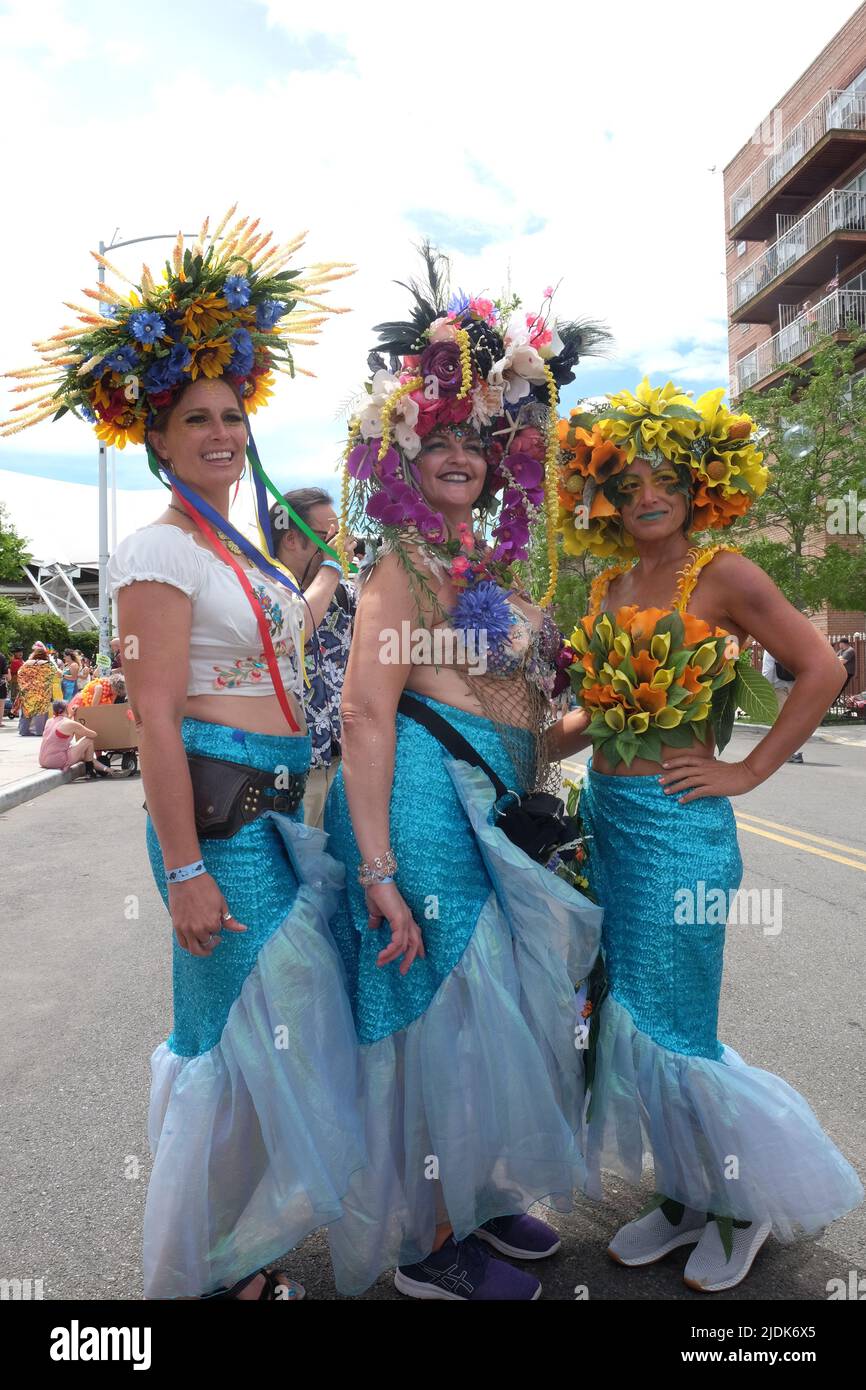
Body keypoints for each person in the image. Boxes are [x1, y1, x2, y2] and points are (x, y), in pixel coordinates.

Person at [3, 208, 360, 1302]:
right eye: (194, 418)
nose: (217, 432)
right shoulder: (157, 546)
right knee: (223, 1047)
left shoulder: (237, 549)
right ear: (155, 438)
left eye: (230, 415)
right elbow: (155, 717)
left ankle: (237, 1252)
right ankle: (207, 1273)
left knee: (270, 1046)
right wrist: (189, 871)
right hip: (216, 824)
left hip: (269, 813)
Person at [323, 250, 607, 1299]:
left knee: (487, 1020)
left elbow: (533, 722)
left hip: (495, 811)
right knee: (436, 1016)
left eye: (475, 443)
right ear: (403, 455)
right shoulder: (396, 559)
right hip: (422, 815)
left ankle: (475, 1204)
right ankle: (419, 1242)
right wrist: (378, 870)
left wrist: (616, 708)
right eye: (436, 438)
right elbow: (363, 710)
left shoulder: (486, 569)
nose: (458, 455)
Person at [558, 378, 863, 1292]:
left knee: (676, 1029)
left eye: (666, 480)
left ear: (700, 488)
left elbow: (821, 666)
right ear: (605, 495)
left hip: (682, 828)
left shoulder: (721, 572)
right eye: (628, 482)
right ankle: (687, 1197)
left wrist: (748, 769)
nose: (647, 496)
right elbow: (592, 709)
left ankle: (743, 1201)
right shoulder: (609, 582)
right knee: (627, 1023)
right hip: (608, 819)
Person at [270, 487, 357, 827]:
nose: (341, 545)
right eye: (329, 535)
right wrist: (332, 565)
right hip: (290, 759)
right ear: (292, 539)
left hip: (344, 754)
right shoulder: (264, 589)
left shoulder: (345, 593)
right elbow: (295, 627)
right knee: (301, 863)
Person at [39, 699, 110, 778]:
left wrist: (71, 715)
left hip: (43, 760)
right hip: (57, 761)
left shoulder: (49, 721)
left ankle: (108, 769)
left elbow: (63, 723)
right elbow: (93, 734)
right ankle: (90, 771)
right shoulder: (70, 723)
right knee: (89, 740)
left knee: (84, 755)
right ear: (66, 708)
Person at [761, 645, 803, 762]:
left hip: (778, 688)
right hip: (794, 687)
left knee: (781, 722)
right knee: (791, 721)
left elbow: (768, 670)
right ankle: (788, 752)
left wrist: (764, 689)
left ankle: (785, 753)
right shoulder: (793, 648)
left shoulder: (770, 649)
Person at [16, 643, 56, 736]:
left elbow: (19, 675)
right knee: (41, 712)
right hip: (41, 692)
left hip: (28, 691)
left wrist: (25, 686)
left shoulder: (26, 664)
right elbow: (53, 675)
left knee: (27, 711)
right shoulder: (47, 665)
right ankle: (39, 731)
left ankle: (23, 731)